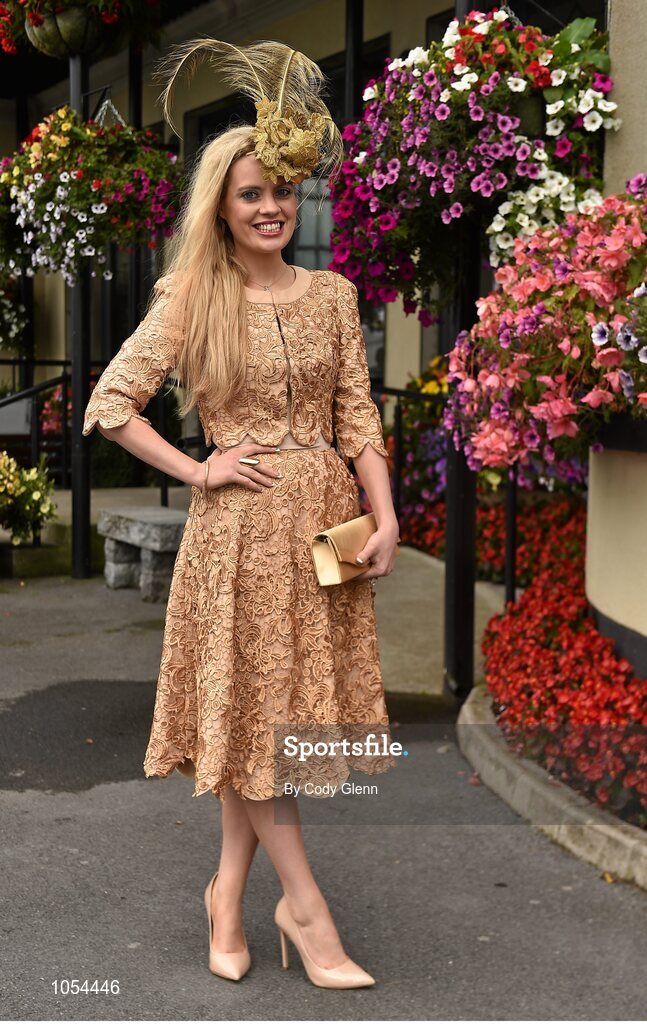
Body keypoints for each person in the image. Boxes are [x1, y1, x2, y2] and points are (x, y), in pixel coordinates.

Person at [82, 39, 400, 990]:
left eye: (282, 193)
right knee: (259, 722)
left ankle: (226, 893)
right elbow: (111, 403)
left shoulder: (335, 297)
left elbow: (358, 416)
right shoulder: (191, 295)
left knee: (271, 721)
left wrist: (383, 517)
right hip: (240, 537)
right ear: (220, 205)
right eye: (250, 194)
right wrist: (199, 468)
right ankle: (307, 913)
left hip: (328, 534)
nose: (270, 207)